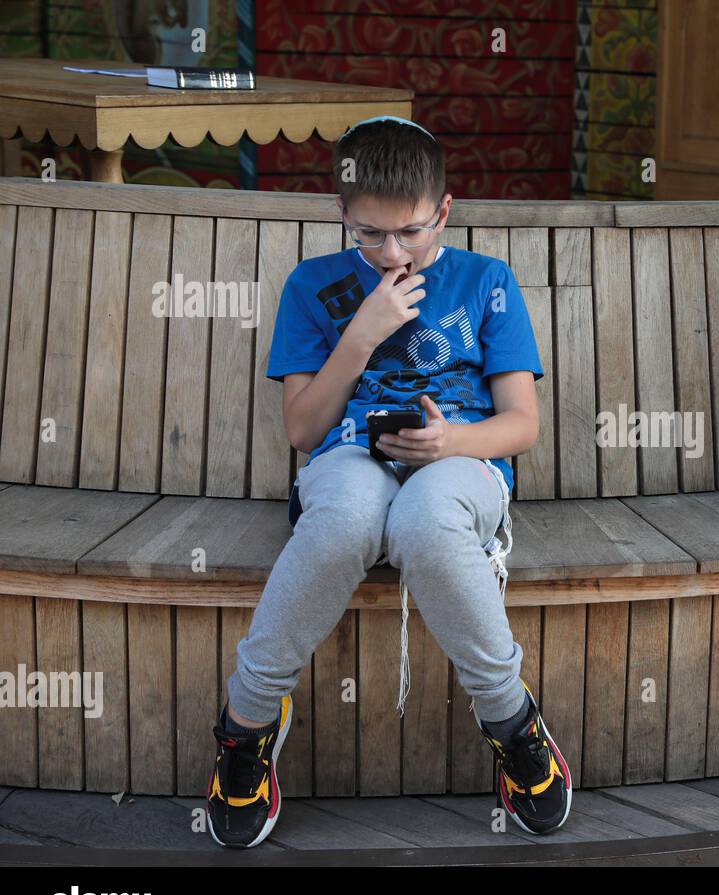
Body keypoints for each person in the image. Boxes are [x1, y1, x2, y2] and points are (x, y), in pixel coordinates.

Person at [205, 116, 571, 847]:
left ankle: (511, 720)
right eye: (369, 234)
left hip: (463, 460)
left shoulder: (486, 282)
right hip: (348, 455)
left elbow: (521, 423)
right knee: (342, 523)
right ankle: (245, 726)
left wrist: (451, 442)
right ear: (341, 212)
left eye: (409, 232)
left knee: (425, 525)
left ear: (444, 211)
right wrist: (362, 333)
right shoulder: (315, 287)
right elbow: (304, 431)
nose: (390, 252)